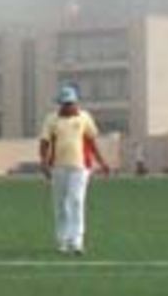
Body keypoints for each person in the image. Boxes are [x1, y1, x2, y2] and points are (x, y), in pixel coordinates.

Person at [39, 85, 109, 255]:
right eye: (65, 104)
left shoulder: (84, 118)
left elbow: (91, 142)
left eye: (70, 103)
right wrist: (44, 163)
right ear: (60, 104)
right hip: (58, 166)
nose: (68, 107)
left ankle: (76, 241)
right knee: (61, 204)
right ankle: (62, 241)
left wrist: (102, 162)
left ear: (76, 102)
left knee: (76, 201)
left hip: (80, 167)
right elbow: (44, 143)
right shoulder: (51, 119)